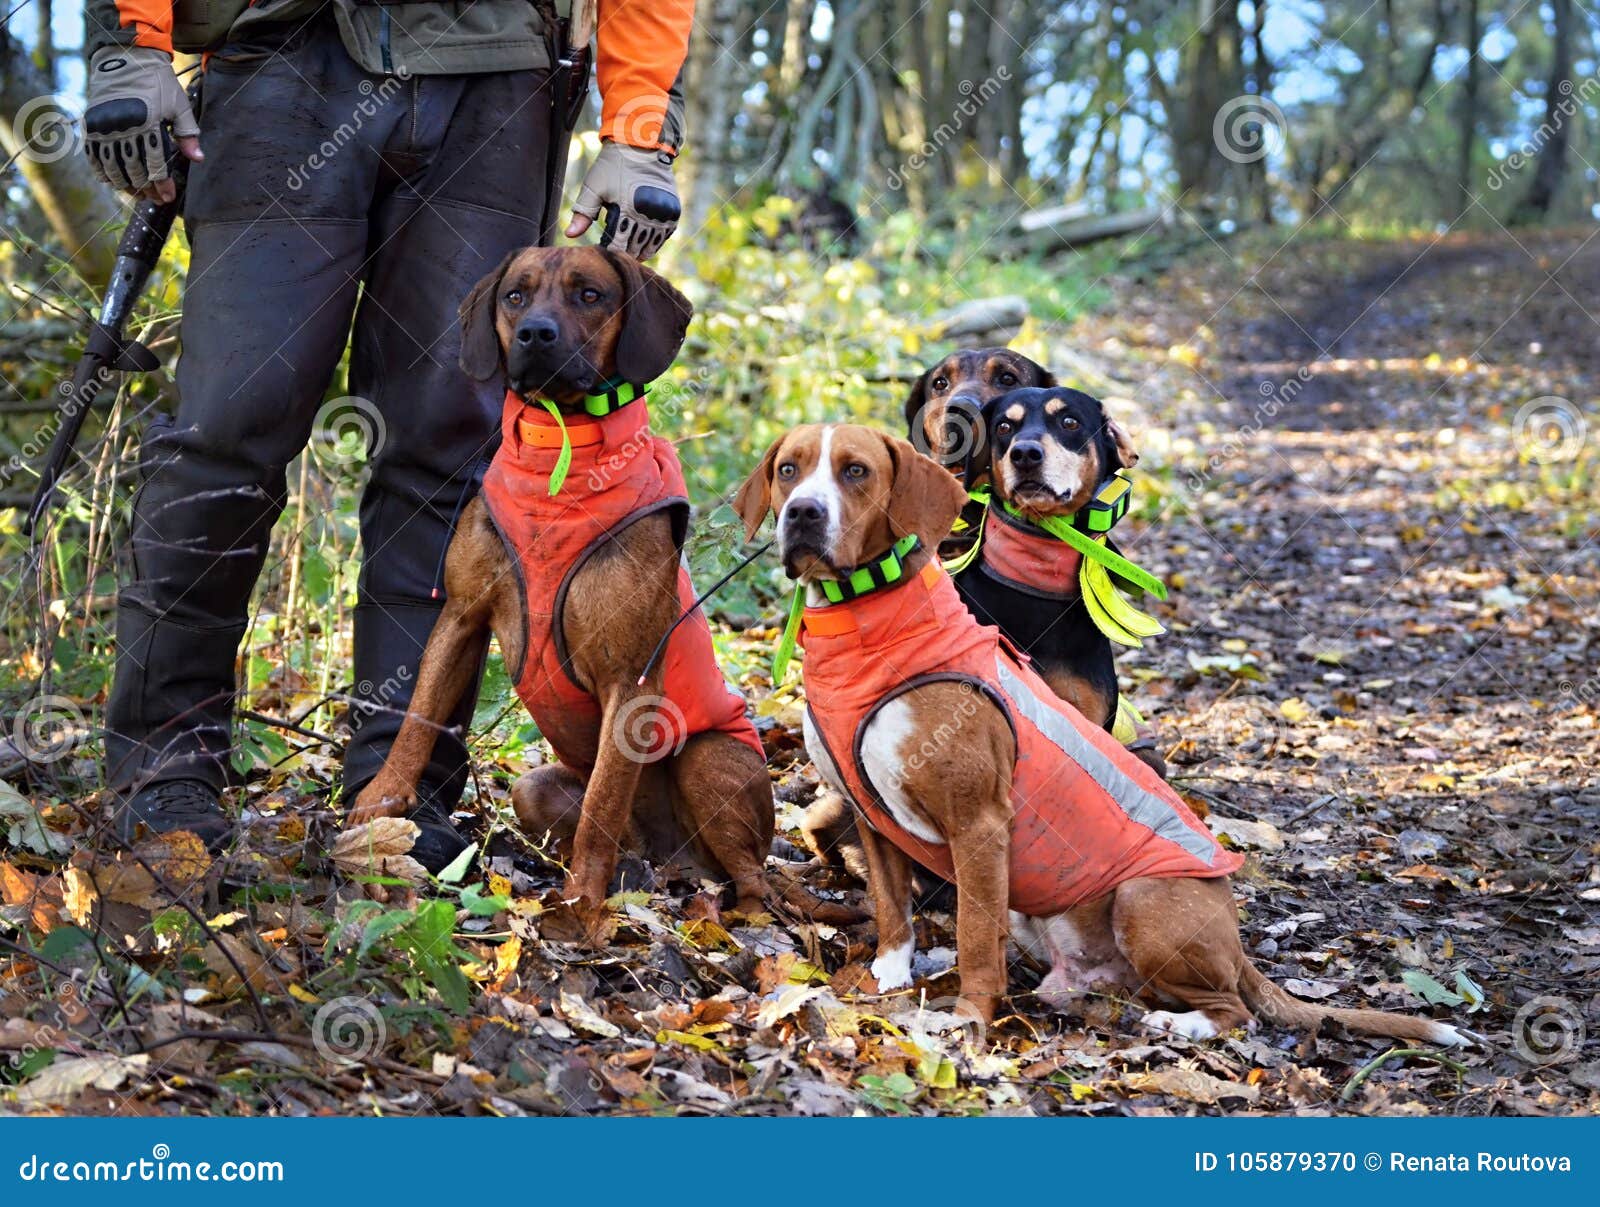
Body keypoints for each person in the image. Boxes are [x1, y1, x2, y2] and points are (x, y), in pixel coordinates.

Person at [81, 0, 695, 871]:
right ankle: (163, 777)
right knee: (227, 421)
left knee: (450, 436)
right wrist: (128, 44)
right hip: (279, 53)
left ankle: (403, 798)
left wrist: (637, 127)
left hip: (498, 72)